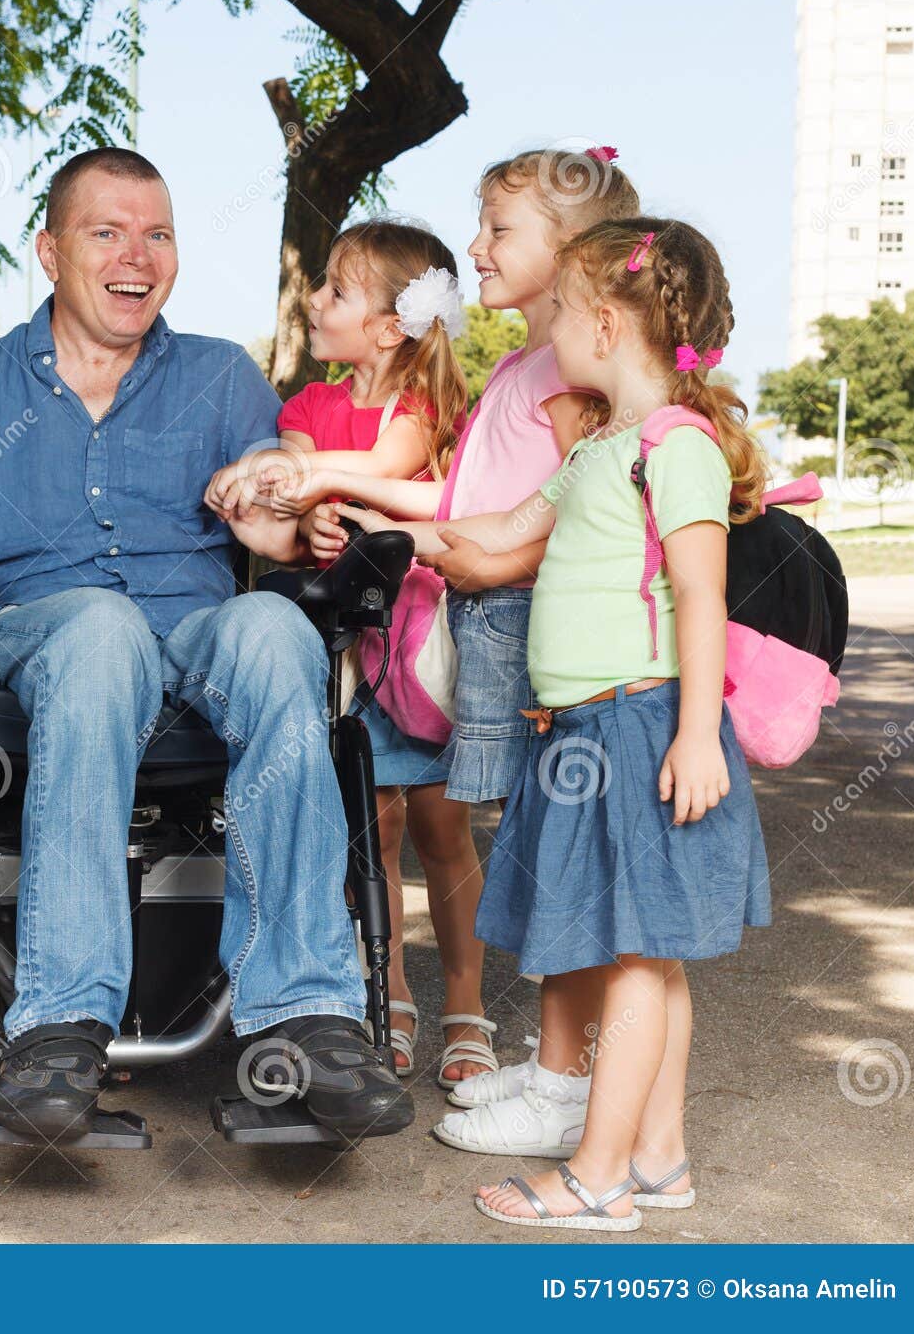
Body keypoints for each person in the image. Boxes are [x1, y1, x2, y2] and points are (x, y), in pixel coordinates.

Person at [0, 146, 408, 1144]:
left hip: (195, 635)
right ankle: (59, 1024)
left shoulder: (217, 376)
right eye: (107, 231)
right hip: (36, 641)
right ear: (50, 250)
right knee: (101, 629)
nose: (137, 255)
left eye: (158, 234)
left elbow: (279, 537)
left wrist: (280, 521)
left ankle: (314, 1017)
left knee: (277, 627)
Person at [331, 216, 770, 1230]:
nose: (551, 336)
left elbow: (702, 597)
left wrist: (698, 733)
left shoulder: (676, 446)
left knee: (633, 961)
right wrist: (374, 528)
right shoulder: (596, 449)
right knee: (646, 958)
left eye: (564, 314)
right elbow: (494, 530)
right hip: (587, 731)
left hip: (644, 728)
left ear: (609, 325)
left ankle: (599, 1177)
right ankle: (657, 1160)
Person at [310, 147, 642, 1141]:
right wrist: (364, 509)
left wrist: (490, 566)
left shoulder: (571, 377)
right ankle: (552, 1070)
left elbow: (587, 505)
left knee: (560, 861)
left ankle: (564, 1083)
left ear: (572, 248)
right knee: (539, 848)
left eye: (499, 230)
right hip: (497, 631)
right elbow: (472, 507)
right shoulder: (520, 367)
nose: (472, 248)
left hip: (545, 648)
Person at [204, 220, 492, 1090]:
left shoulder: (424, 409)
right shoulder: (307, 408)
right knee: (377, 826)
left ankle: (467, 1004)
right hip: (348, 645)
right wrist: (282, 496)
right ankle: (390, 992)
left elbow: (381, 466)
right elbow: (299, 475)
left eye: (335, 290)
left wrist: (319, 485)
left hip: (424, 641)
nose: (313, 301)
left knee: (444, 825)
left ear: (389, 325)